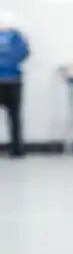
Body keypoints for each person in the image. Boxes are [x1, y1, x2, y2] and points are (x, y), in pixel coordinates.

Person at [0, 11, 29, 158]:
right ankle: (17, 149)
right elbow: (24, 54)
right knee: (15, 116)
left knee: (14, 116)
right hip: (14, 80)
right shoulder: (17, 38)